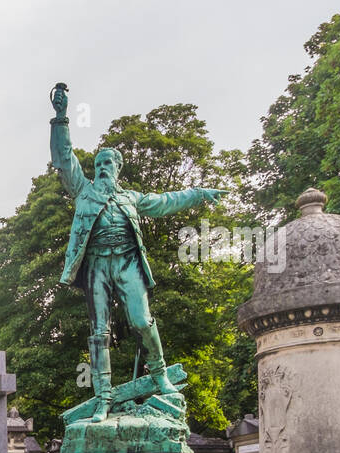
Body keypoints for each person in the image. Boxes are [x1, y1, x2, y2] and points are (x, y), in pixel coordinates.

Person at [49, 84, 227, 423]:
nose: (102, 168)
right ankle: (102, 397)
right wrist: (61, 118)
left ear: (118, 169)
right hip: (98, 265)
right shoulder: (83, 191)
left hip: (128, 262)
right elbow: (64, 158)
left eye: (108, 164)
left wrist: (199, 193)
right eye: (98, 163)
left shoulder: (131, 198)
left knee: (142, 320)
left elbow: (166, 202)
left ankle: (159, 375)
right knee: (99, 332)